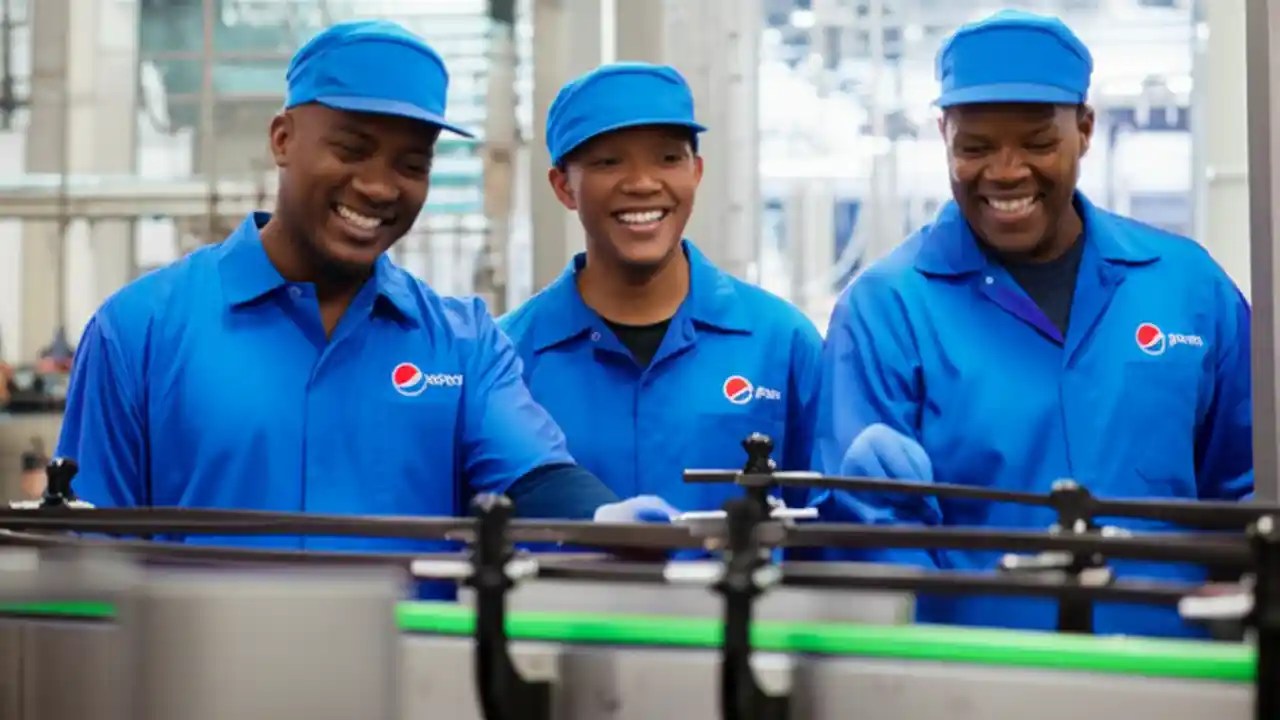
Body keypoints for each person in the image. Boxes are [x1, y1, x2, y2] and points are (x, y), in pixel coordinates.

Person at [54, 20, 678, 559]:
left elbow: (533, 477)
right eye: (352, 149)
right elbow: (92, 547)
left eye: (412, 165)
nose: (380, 187)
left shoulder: (460, 345)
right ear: (282, 139)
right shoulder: (142, 330)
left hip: (403, 686)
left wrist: (604, 520)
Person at [810, 9, 1253, 638]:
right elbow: (876, 546)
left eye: (1039, 143)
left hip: (1169, 678)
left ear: (1086, 129)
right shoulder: (887, 310)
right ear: (944, 136)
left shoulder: (1188, 287)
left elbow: (1248, 493)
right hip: (977, 687)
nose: (1007, 171)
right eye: (975, 146)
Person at [499, 62, 823, 515]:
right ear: (564, 187)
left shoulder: (781, 342)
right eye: (608, 162)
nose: (643, 183)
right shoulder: (508, 358)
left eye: (668, 158)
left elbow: (824, 524)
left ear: (697, 172)